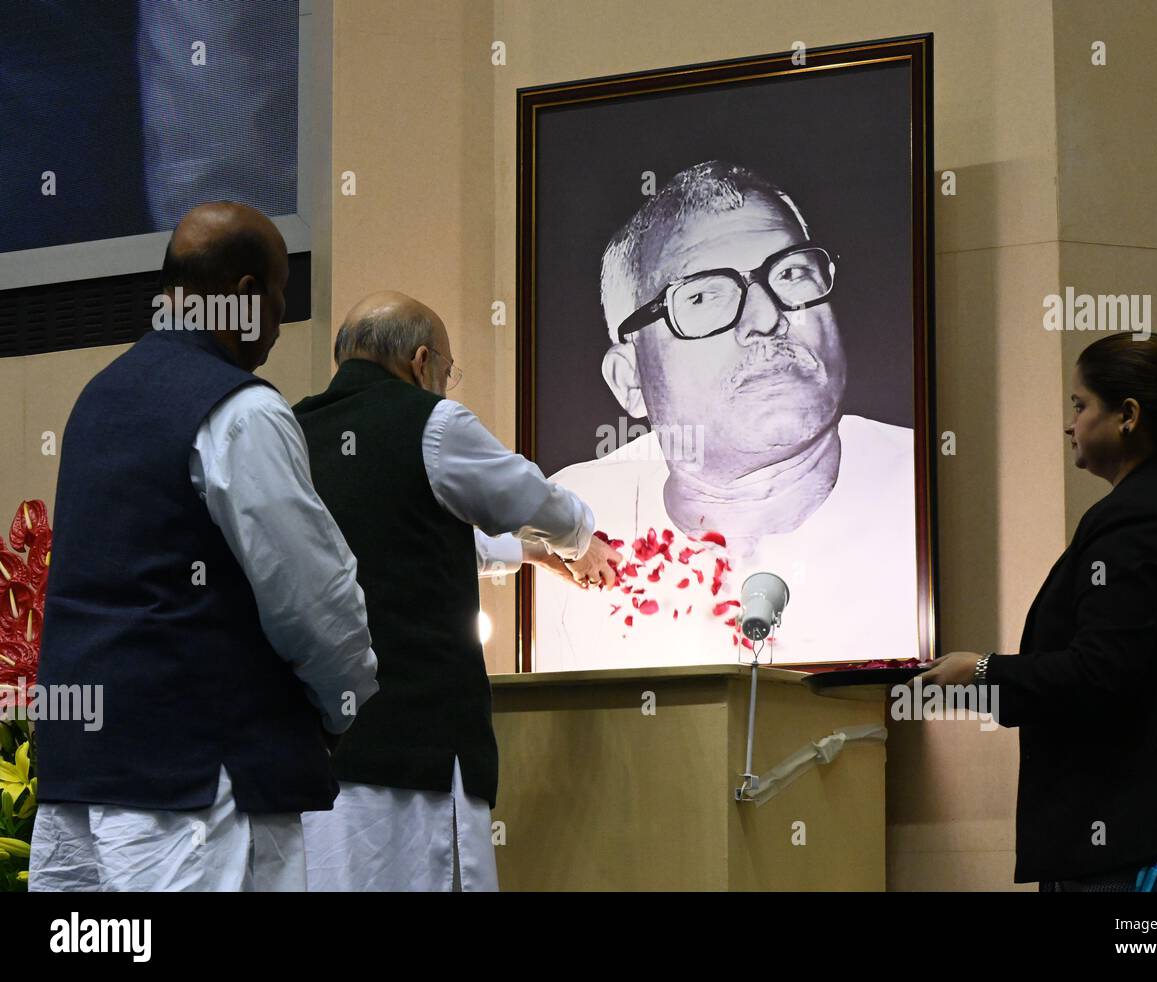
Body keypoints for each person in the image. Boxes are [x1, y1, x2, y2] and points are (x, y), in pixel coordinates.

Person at [30, 201, 379, 892]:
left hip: (80, 781)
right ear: (248, 296)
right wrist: (341, 704)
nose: (278, 324)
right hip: (199, 789)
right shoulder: (239, 410)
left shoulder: (95, 400)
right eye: (280, 299)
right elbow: (312, 598)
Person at [923, 332, 1157, 891]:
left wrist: (982, 669)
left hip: (1145, 840)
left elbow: (1102, 670)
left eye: (1080, 405)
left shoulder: (1139, 517)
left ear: (1128, 415)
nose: (1070, 424)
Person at [294, 291, 619, 891]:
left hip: (314, 754)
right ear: (423, 362)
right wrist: (580, 539)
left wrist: (530, 555)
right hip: (414, 746)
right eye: (448, 370)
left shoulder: (292, 431)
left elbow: (400, 532)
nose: (446, 383)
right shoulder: (431, 422)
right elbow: (529, 497)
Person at [536, 160, 918, 670]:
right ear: (630, 380)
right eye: (702, 297)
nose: (767, 319)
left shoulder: (919, 486)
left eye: (792, 274)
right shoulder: (572, 516)